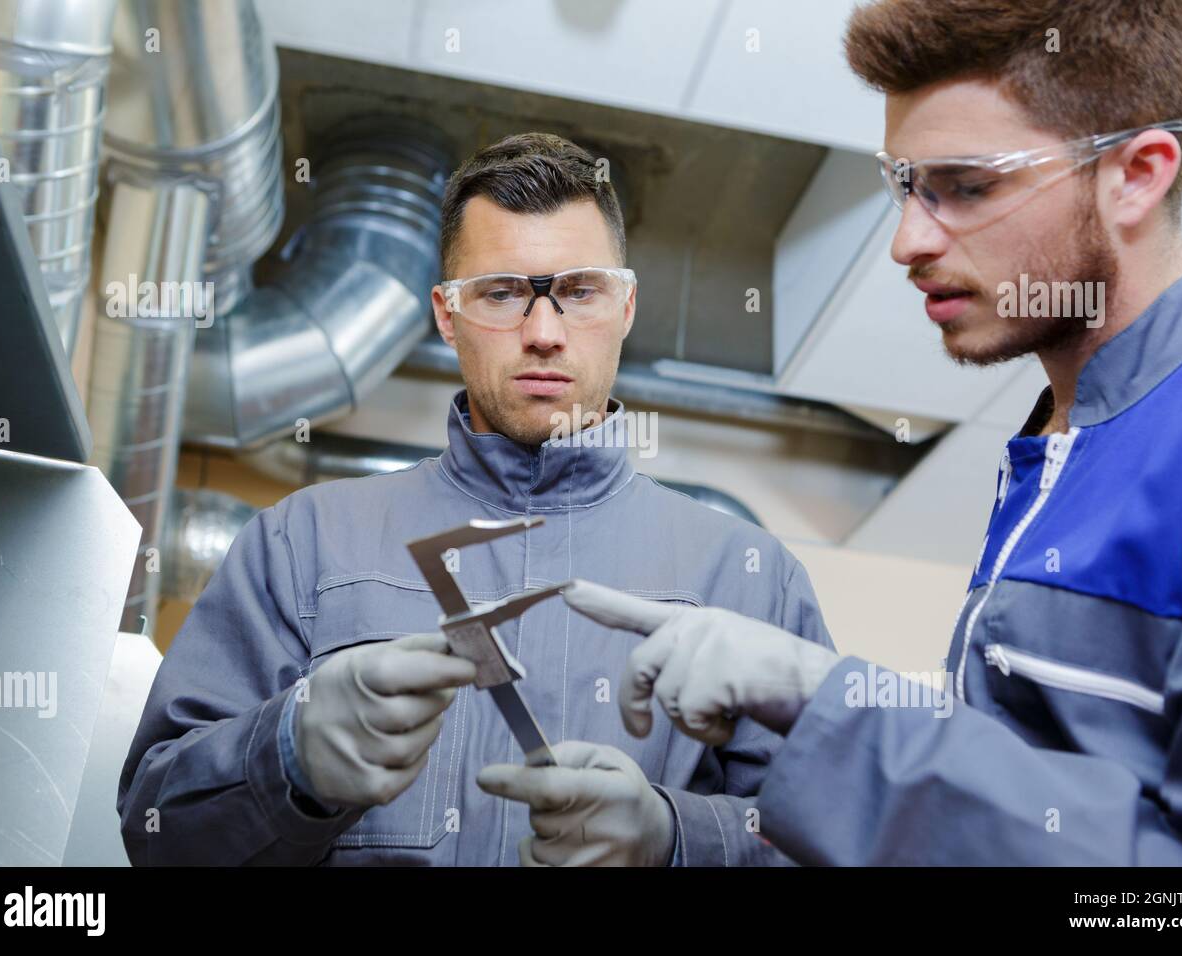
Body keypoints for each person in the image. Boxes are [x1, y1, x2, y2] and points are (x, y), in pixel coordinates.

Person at [507, 0, 1182, 865]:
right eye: (905, 185)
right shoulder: (1059, 449)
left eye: (967, 186)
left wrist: (835, 705)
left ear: (1138, 173)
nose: (907, 239)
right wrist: (682, 836)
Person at [117, 132, 831, 866]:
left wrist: (676, 837)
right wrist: (286, 755)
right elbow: (154, 828)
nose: (544, 333)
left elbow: (834, 843)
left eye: (580, 292)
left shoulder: (749, 577)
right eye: (501, 294)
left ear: (626, 307)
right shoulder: (304, 543)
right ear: (445, 314)